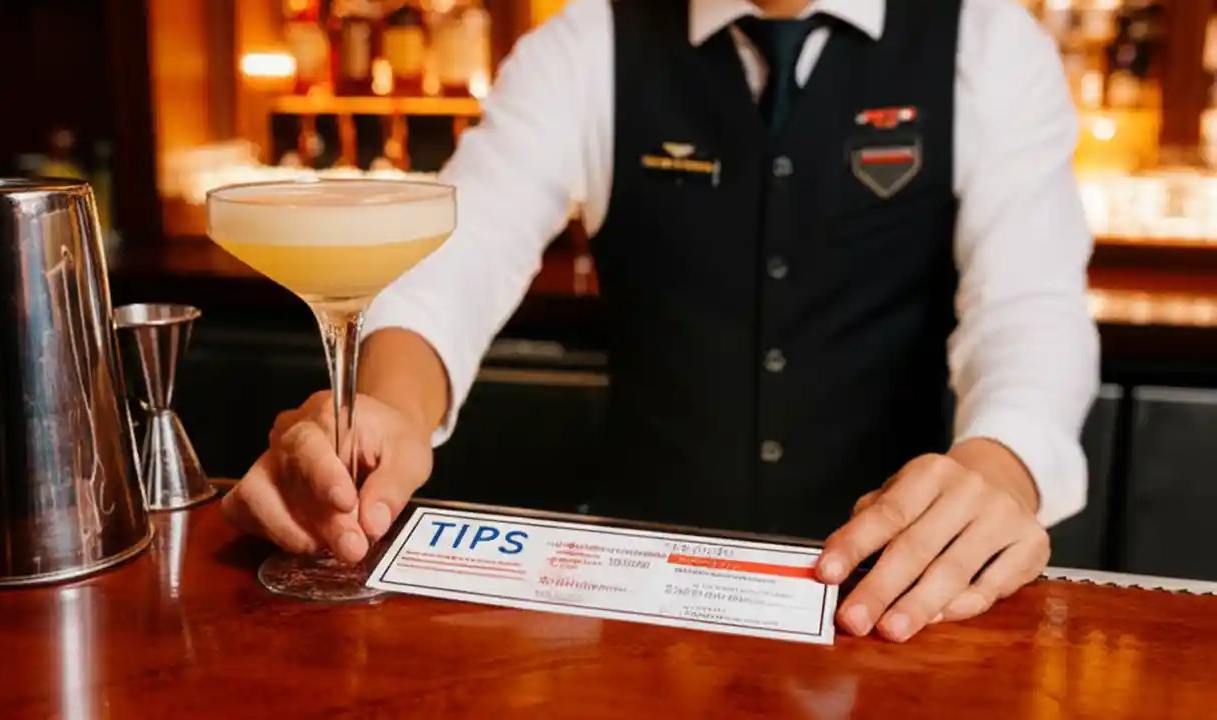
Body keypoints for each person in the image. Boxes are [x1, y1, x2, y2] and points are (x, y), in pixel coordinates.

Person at [224, 0, 1099, 643]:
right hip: (638, 591)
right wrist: (388, 410)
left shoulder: (986, 43)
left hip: (889, 594)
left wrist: (1001, 469)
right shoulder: (587, 43)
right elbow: (461, 251)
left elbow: (1032, 305)